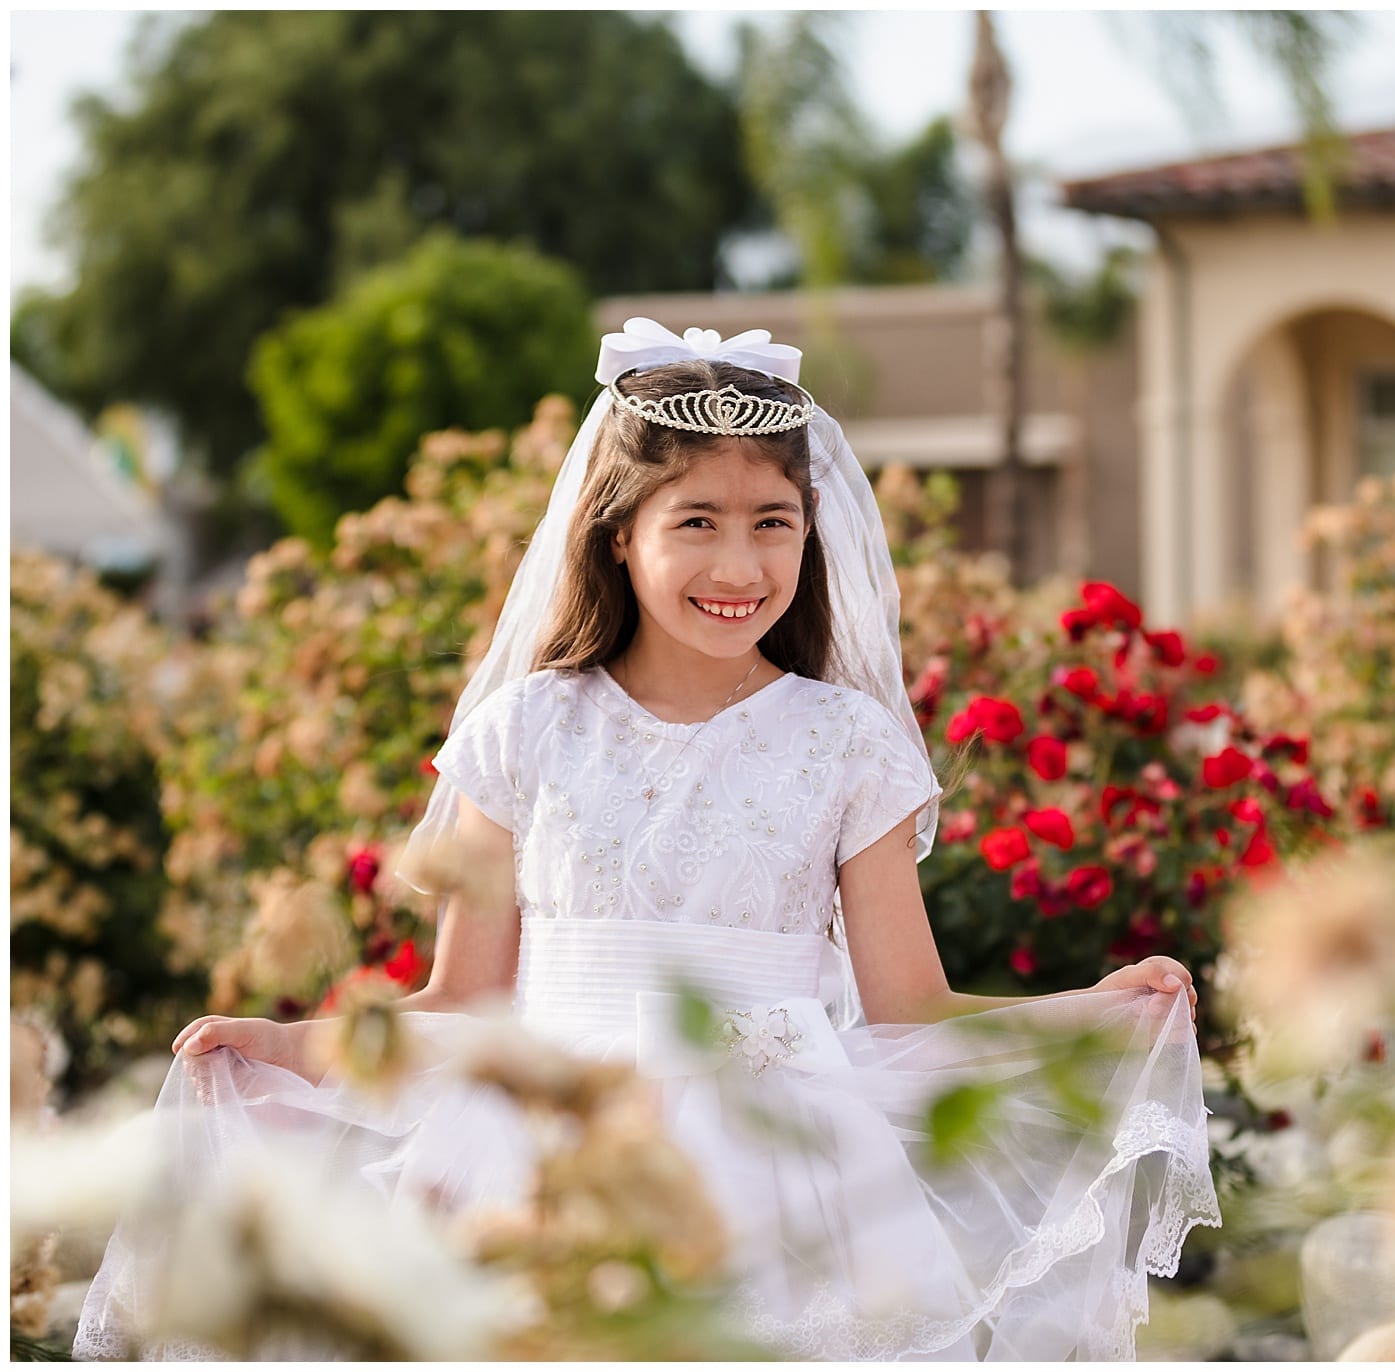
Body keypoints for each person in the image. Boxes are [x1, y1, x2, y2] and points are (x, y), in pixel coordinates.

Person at [73, 322, 1219, 1362]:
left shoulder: (845, 743)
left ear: (809, 533)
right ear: (619, 535)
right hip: (539, 1153)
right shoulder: (529, 728)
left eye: (772, 523)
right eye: (696, 523)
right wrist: (283, 1043)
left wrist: (1093, 1009)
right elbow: (463, 1002)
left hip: (783, 1176)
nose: (740, 567)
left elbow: (908, 1008)